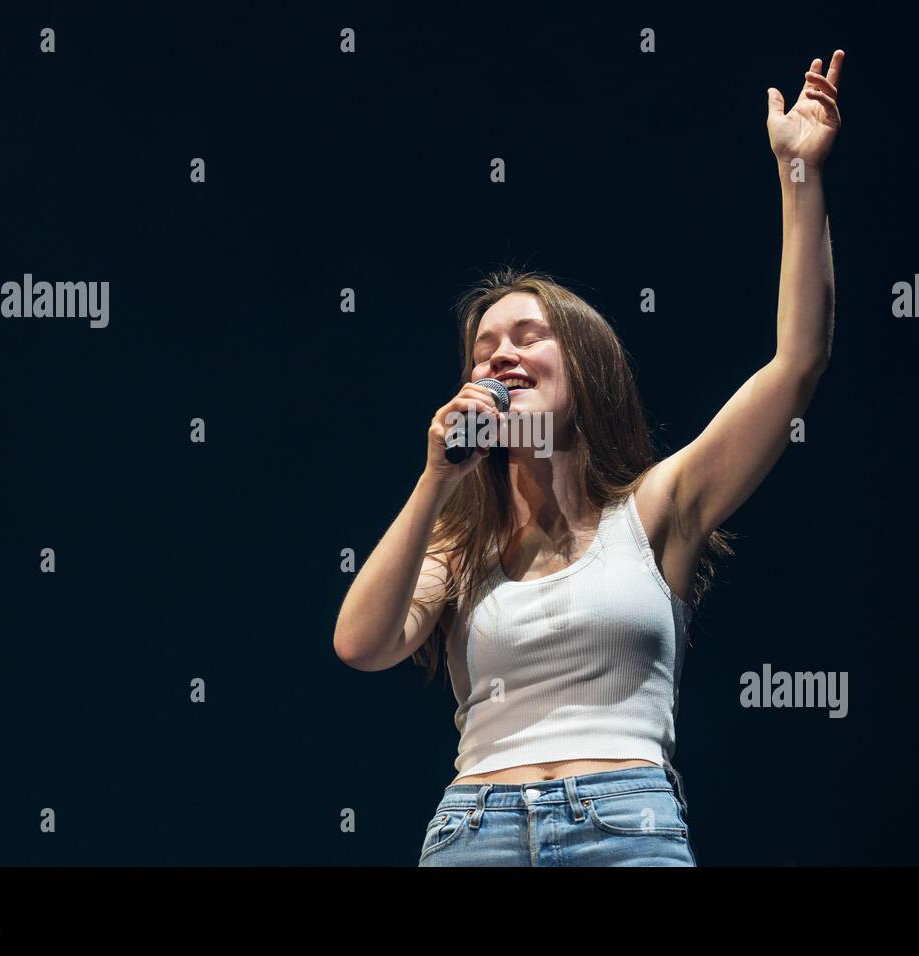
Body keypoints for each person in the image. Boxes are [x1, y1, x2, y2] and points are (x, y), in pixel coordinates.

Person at [334, 50, 844, 866]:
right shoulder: (458, 549)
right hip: (474, 829)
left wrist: (797, 173)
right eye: (481, 350)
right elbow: (361, 644)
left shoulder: (656, 508)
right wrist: (438, 478)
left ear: (586, 367)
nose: (499, 357)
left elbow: (797, 363)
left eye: (526, 338)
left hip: (623, 825)